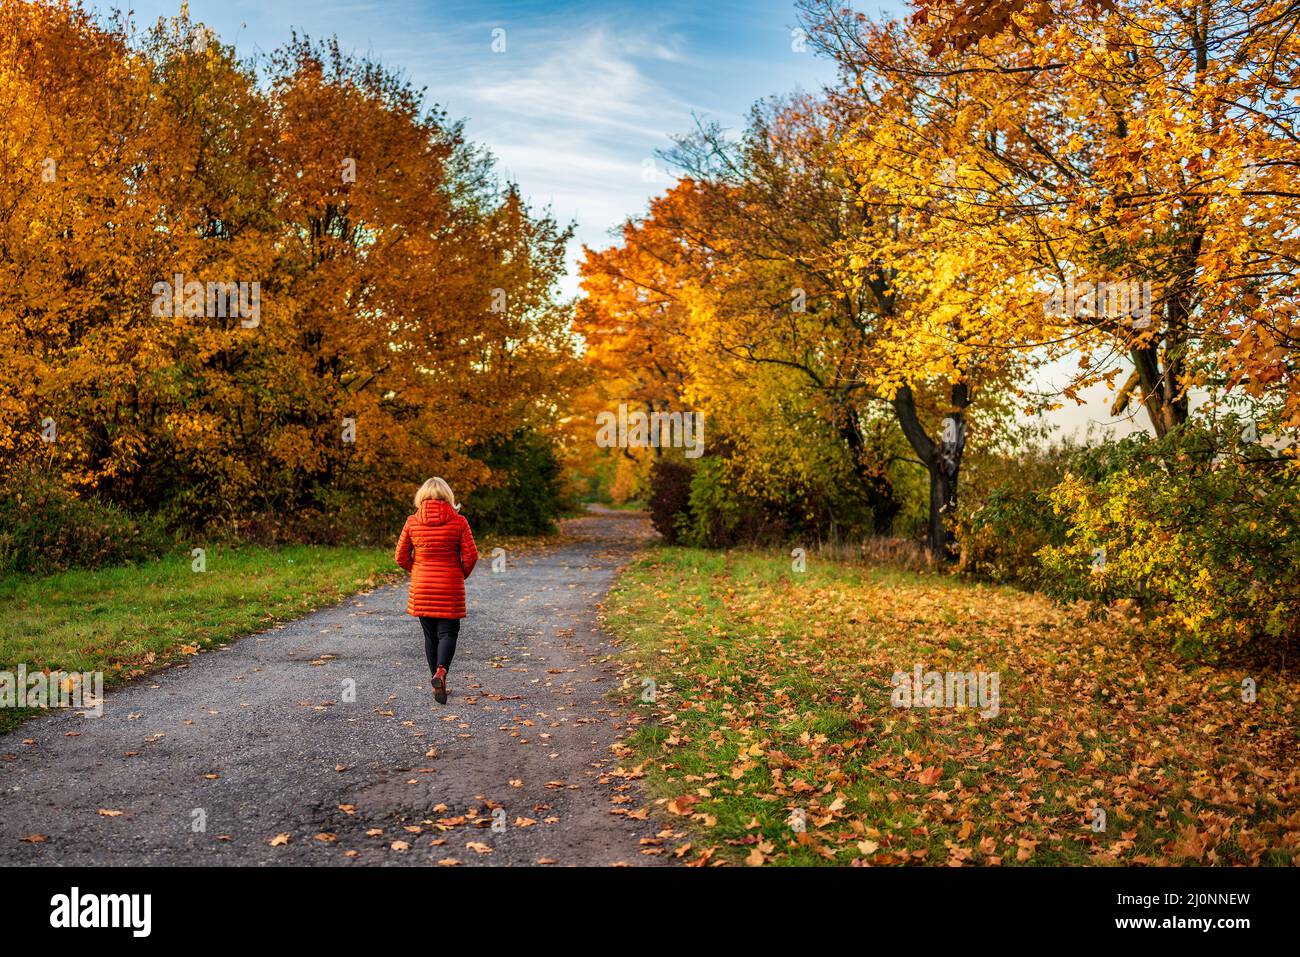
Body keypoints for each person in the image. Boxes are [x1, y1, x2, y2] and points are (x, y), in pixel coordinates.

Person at [394, 477, 478, 704]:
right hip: (450, 585)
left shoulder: (412, 522)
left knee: (431, 636)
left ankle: (437, 683)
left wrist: (418, 570)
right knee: (448, 633)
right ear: (447, 496)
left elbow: (400, 557)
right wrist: (459, 574)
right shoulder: (459, 521)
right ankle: (441, 672)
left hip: (422, 586)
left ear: (421, 495)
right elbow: (471, 556)